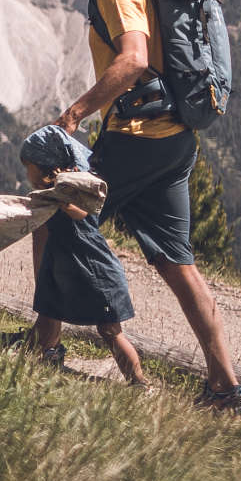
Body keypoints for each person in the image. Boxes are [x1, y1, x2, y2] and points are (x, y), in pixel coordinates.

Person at [30, 0, 241, 417]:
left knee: (52, 214)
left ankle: (43, 348)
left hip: (137, 138)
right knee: (179, 265)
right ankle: (228, 391)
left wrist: (76, 113)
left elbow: (133, 60)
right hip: (174, 141)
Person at [14, 125, 146, 386]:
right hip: (63, 269)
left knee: (110, 330)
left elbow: (83, 213)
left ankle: (139, 383)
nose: (26, 172)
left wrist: (65, 203)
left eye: (28, 165)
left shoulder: (72, 190)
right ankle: (29, 362)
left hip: (94, 270)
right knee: (47, 315)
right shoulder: (48, 194)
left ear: (47, 167)